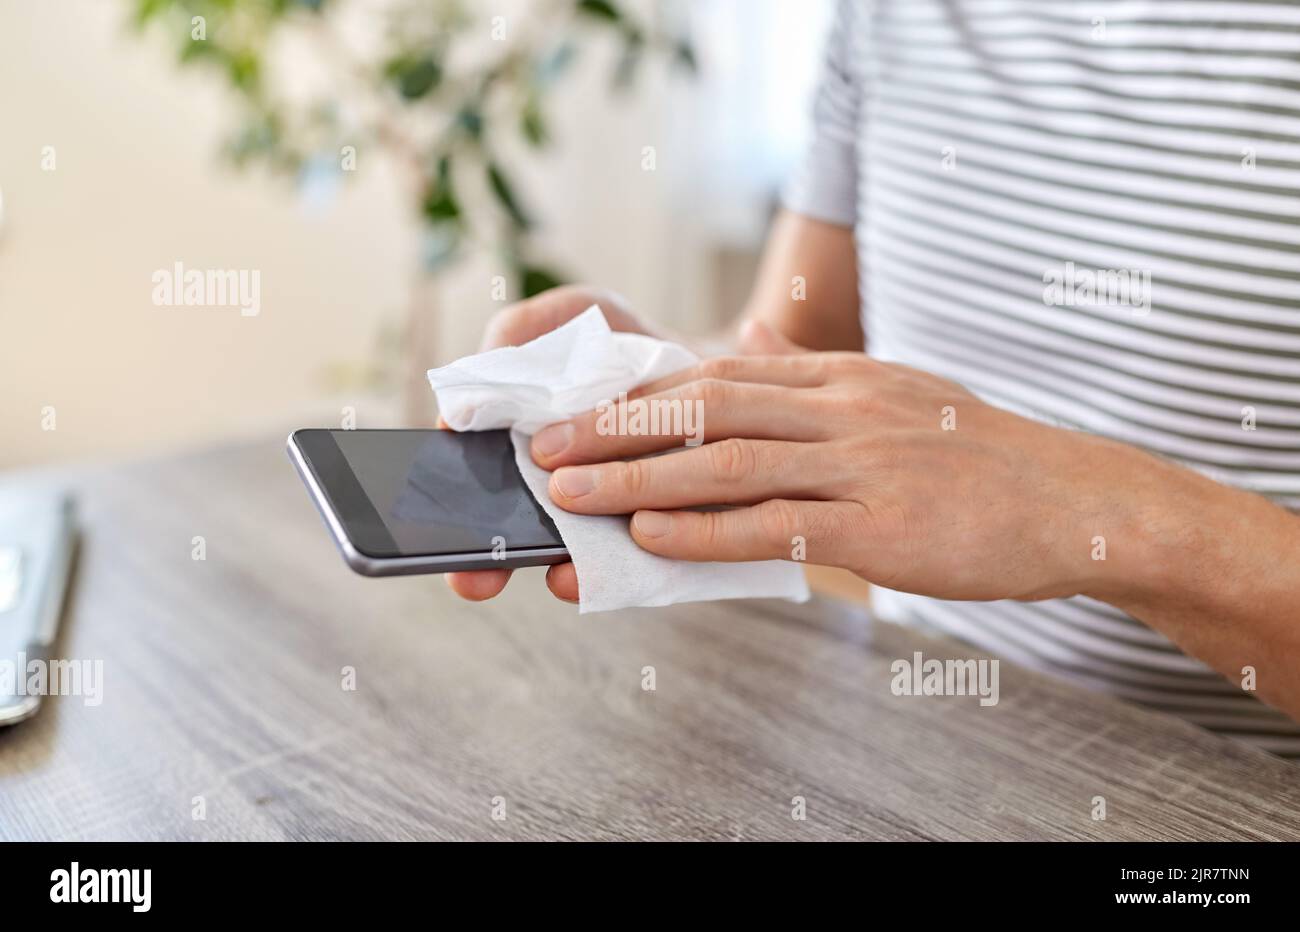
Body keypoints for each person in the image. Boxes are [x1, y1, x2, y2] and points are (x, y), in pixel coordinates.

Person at [447, 1, 1300, 754]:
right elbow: (803, 340)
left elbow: (1009, 474)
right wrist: (661, 375)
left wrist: (1084, 510)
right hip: (927, 738)